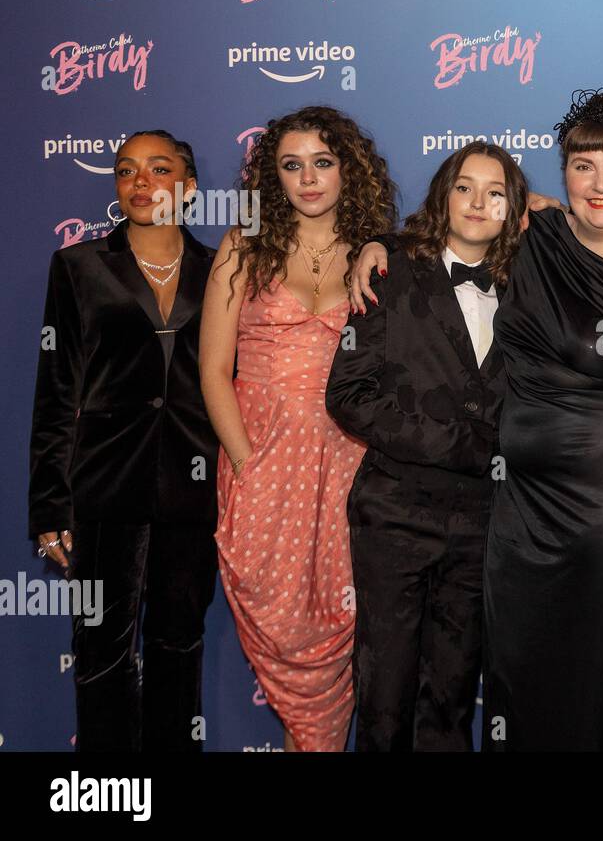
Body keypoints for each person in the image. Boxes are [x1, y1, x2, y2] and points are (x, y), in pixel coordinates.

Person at [351, 91, 603, 750]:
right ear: (562, 171)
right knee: (522, 686)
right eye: (583, 165)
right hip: (518, 520)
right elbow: (456, 225)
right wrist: (378, 244)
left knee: (594, 693)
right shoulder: (540, 233)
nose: (600, 184)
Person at [200, 105, 396, 751]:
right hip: (264, 460)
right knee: (284, 623)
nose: (308, 178)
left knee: (341, 626)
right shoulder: (244, 244)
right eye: (292, 165)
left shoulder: (376, 252)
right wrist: (246, 463)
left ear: (348, 169)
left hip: (348, 463)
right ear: (272, 176)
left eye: (323, 162)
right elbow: (211, 370)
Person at [326, 143, 528, 751]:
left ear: (514, 210)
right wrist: (453, 443)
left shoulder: (529, 287)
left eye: (495, 193)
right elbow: (348, 393)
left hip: (482, 523)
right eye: (464, 187)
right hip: (394, 513)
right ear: (443, 194)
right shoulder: (390, 269)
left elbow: (590, 215)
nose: (476, 203)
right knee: (384, 692)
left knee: (452, 692)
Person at [29, 130, 218, 751]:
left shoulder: (222, 269)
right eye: (126, 170)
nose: (140, 182)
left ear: (187, 189)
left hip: (195, 487)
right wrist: (50, 505)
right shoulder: (77, 266)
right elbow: (57, 390)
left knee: (178, 644)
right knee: (100, 651)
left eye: (158, 169)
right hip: (102, 486)